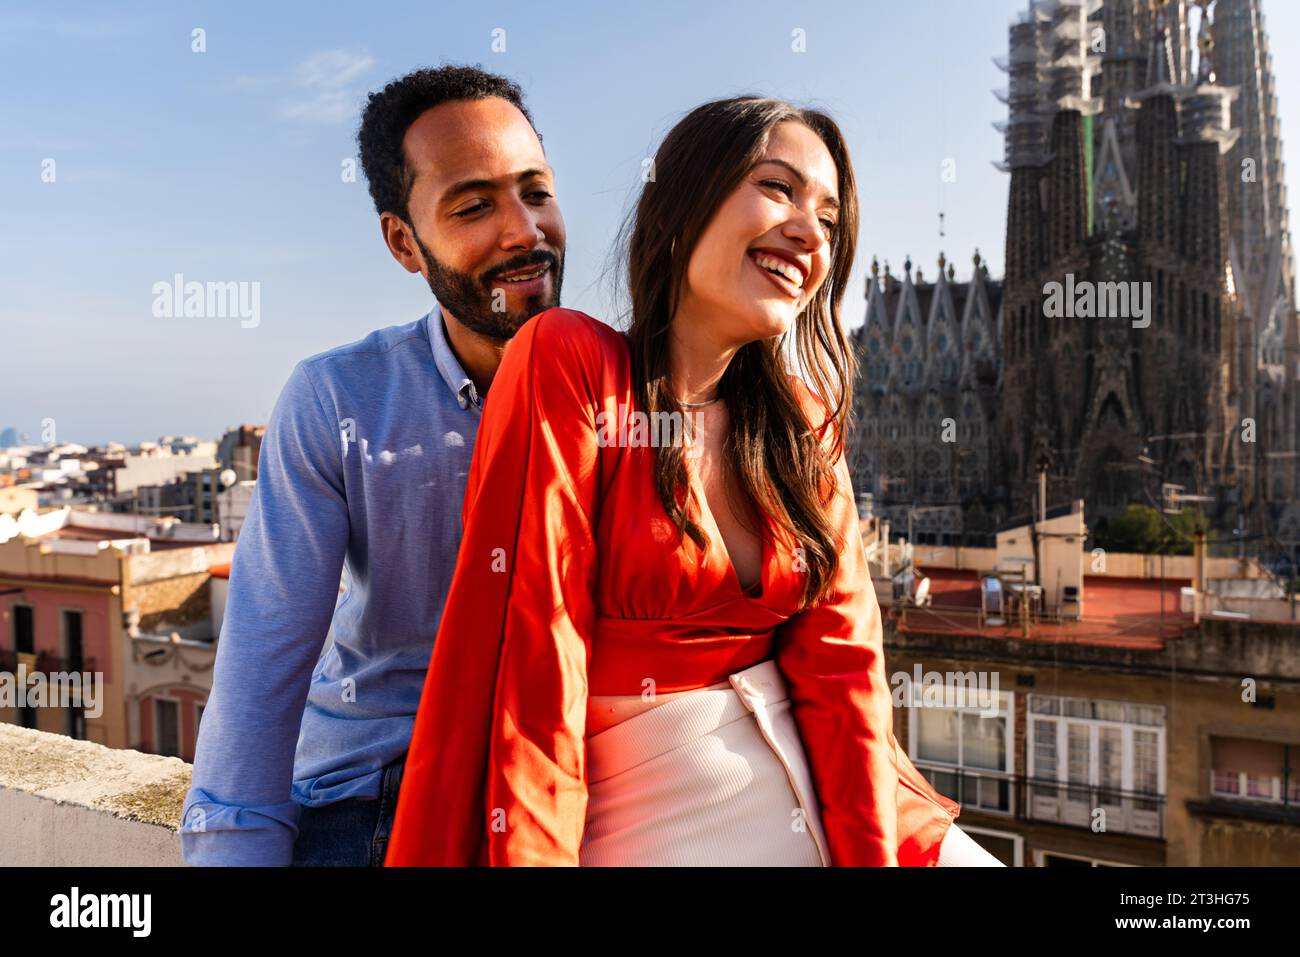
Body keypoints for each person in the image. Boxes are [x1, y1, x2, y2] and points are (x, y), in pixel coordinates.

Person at [385, 96, 1001, 866]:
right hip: (665, 811)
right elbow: (538, 661)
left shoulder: (804, 422)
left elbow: (844, 674)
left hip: (842, 799)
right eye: (778, 188)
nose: (811, 233)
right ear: (684, 203)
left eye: (831, 221)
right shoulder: (571, 361)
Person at [178, 64, 566, 866]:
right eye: (474, 206)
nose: (524, 230)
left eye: (535, 190)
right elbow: (263, 660)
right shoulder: (339, 399)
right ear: (404, 243)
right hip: (379, 789)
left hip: (570, 785)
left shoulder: (619, 390)